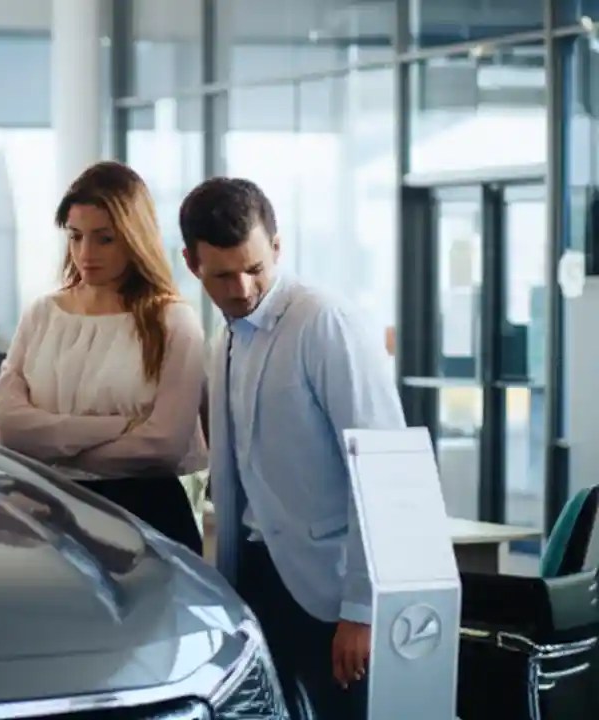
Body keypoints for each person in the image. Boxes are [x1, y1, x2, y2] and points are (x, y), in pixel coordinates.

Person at [178, 177, 405, 719]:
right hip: (255, 580)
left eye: (255, 269)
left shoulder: (324, 320)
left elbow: (382, 473)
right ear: (191, 264)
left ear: (277, 247)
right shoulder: (224, 337)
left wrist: (363, 610)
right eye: (223, 275)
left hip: (329, 588)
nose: (242, 289)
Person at [0, 161, 207, 554]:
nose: (85, 253)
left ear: (134, 237)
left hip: (144, 516)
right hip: (47, 508)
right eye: (75, 237)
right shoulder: (42, 313)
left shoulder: (173, 321)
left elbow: (164, 445)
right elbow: (8, 428)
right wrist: (120, 426)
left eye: (104, 239)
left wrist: (53, 448)